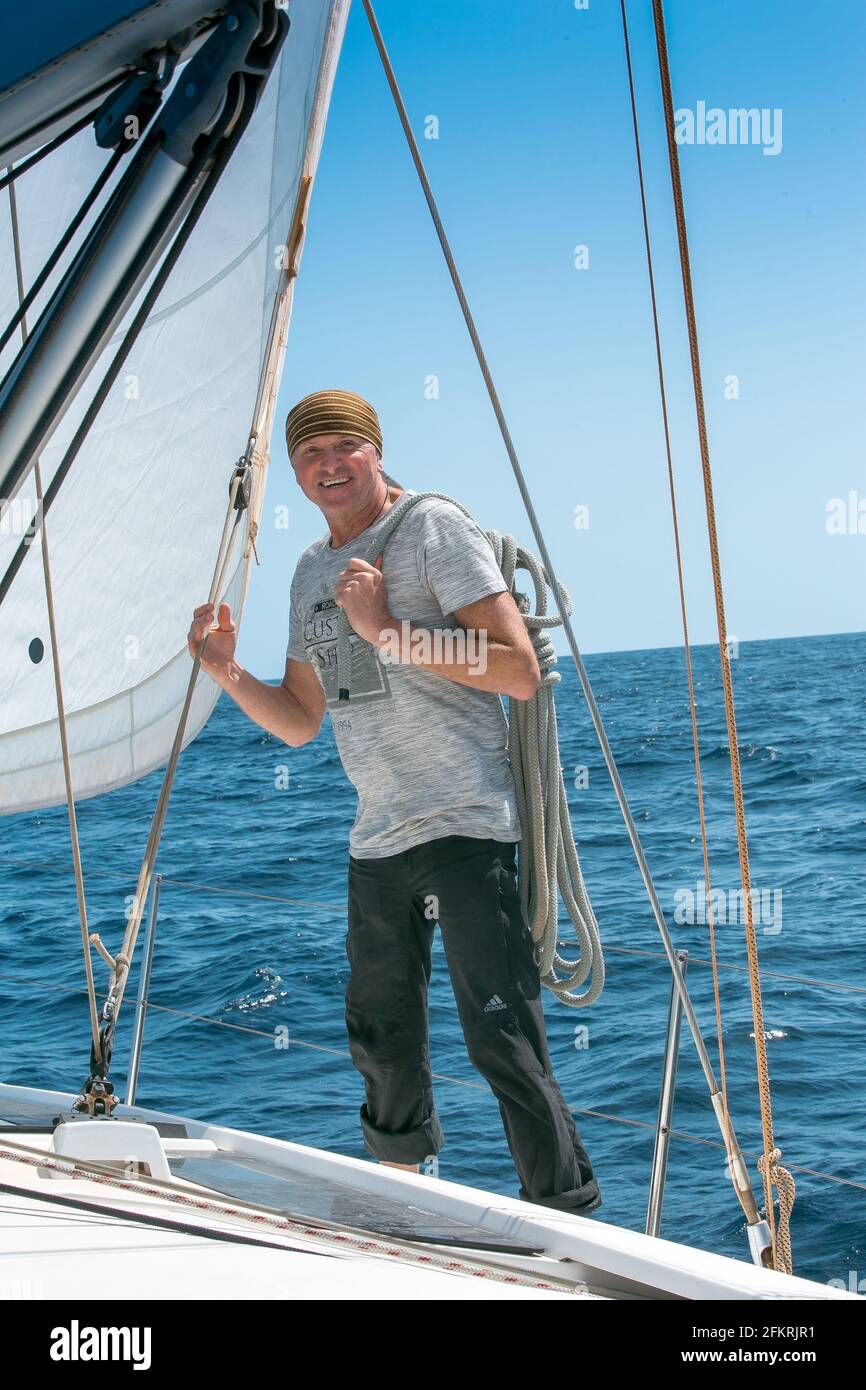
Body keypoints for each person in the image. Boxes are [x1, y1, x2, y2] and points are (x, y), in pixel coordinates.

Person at [188, 388, 601, 1216]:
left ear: (377, 452)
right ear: (297, 474)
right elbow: (304, 719)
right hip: (376, 838)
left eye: (345, 447)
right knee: (381, 1040)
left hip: (466, 824)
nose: (327, 465)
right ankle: (398, 1202)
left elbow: (516, 668)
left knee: (501, 1038)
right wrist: (224, 671)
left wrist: (387, 631)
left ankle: (566, 1218)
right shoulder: (309, 570)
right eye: (310, 455)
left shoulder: (430, 528)